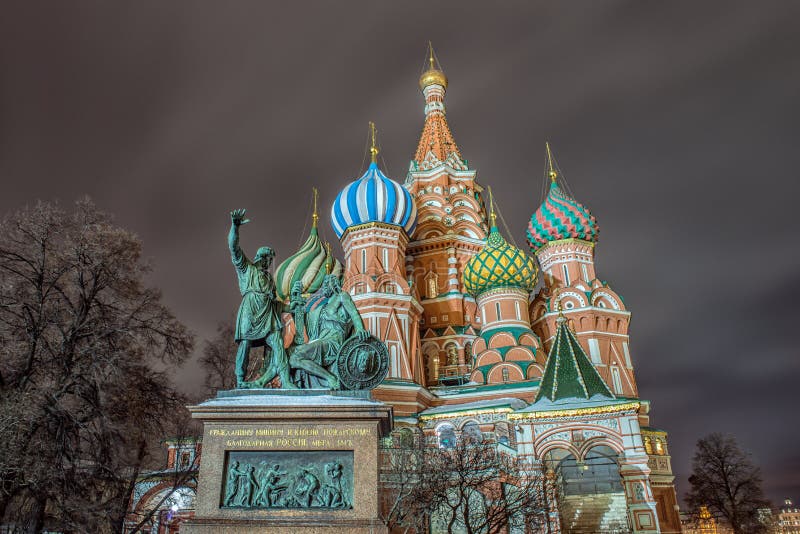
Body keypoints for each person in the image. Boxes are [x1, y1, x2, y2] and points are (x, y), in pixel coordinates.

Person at [228, 209, 294, 388]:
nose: (268, 263)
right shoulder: (246, 269)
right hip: (250, 311)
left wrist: (291, 307)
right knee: (245, 344)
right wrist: (235, 227)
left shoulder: (269, 279)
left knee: (278, 343)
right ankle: (240, 379)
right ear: (259, 257)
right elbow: (233, 248)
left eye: (270, 260)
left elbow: (276, 304)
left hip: (268, 315)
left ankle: (286, 381)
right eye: (266, 259)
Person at [288, 275, 369, 389]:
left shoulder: (342, 296)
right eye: (323, 284)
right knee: (291, 357)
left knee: (296, 356)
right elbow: (303, 324)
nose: (323, 287)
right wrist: (296, 303)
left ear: (334, 284)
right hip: (321, 340)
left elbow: (354, 313)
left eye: (326, 283)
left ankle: (331, 379)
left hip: (334, 341)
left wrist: (360, 329)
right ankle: (328, 378)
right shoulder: (322, 308)